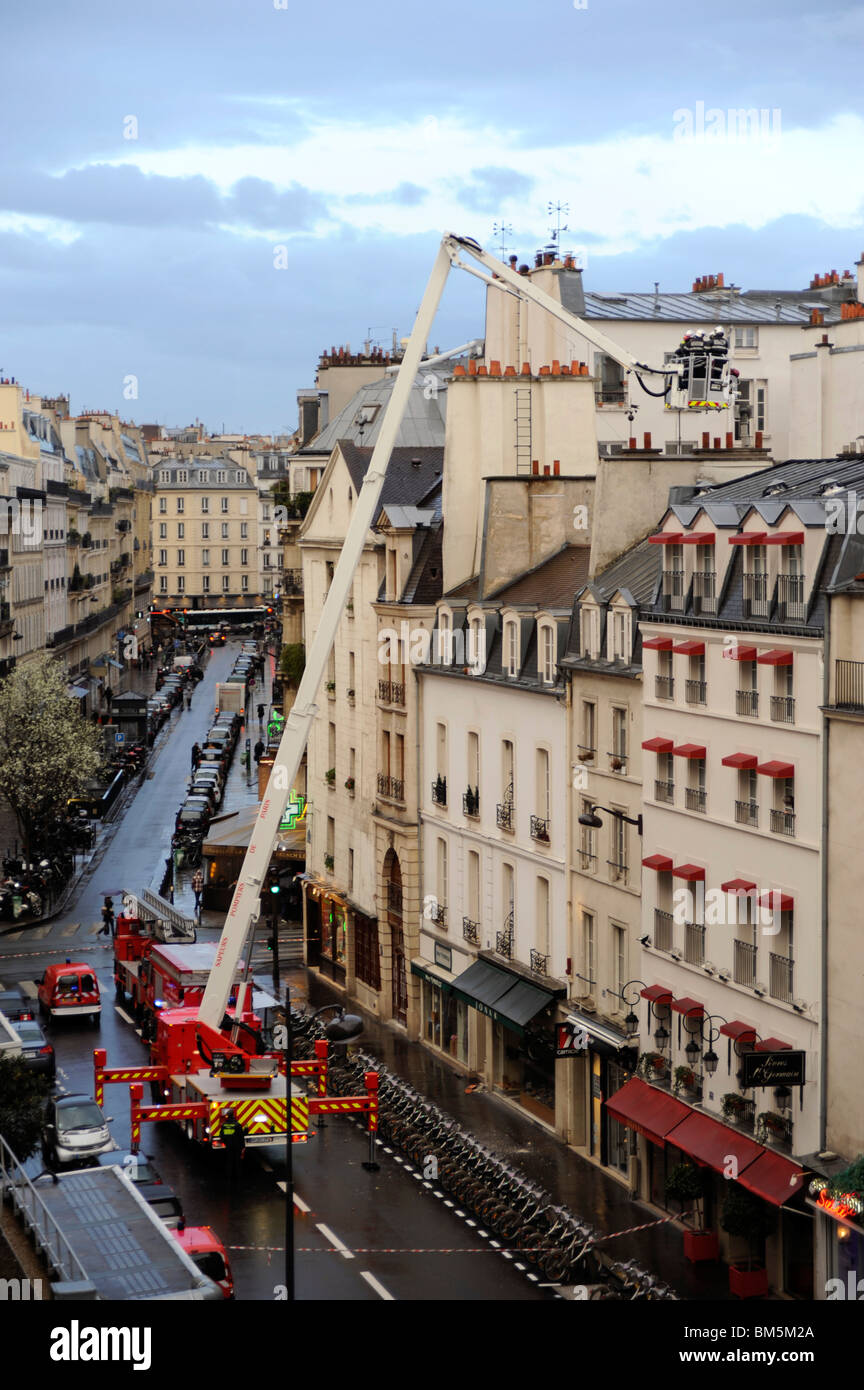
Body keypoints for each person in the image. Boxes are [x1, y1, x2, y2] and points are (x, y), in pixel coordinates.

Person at [221, 1107, 245, 1180]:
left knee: (229, 1161)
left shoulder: (224, 1125)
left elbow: (222, 1136)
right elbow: (241, 1137)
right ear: (233, 1115)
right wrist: (243, 1147)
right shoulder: (237, 1125)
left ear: (227, 1116)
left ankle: (228, 1176)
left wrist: (226, 1143)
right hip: (237, 1147)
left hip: (229, 1146)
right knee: (238, 1162)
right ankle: (238, 1176)